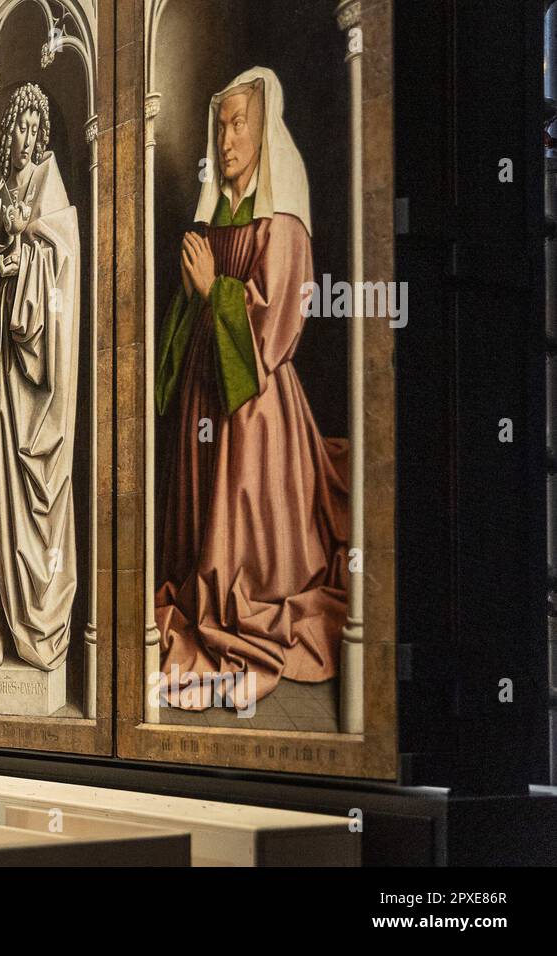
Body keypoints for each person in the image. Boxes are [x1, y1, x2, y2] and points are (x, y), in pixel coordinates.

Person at [153, 67, 349, 709]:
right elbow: (192, 316)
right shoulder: (214, 222)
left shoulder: (283, 223)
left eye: (241, 124)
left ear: (265, 132)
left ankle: (245, 611)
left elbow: (278, 328)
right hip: (207, 401)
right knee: (196, 551)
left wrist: (214, 291)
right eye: (221, 126)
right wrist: (190, 298)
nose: (228, 139)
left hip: (256, 413)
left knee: (248, 560)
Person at [0, 81, 81, 674]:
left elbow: (64, 252)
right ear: (9, 136)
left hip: (30, 372)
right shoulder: (2, 190)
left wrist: (25, 250)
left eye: (35, 127)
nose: (26, 137)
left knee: (25, 495)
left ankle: (28, 617)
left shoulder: (49, 183)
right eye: (19, 127)